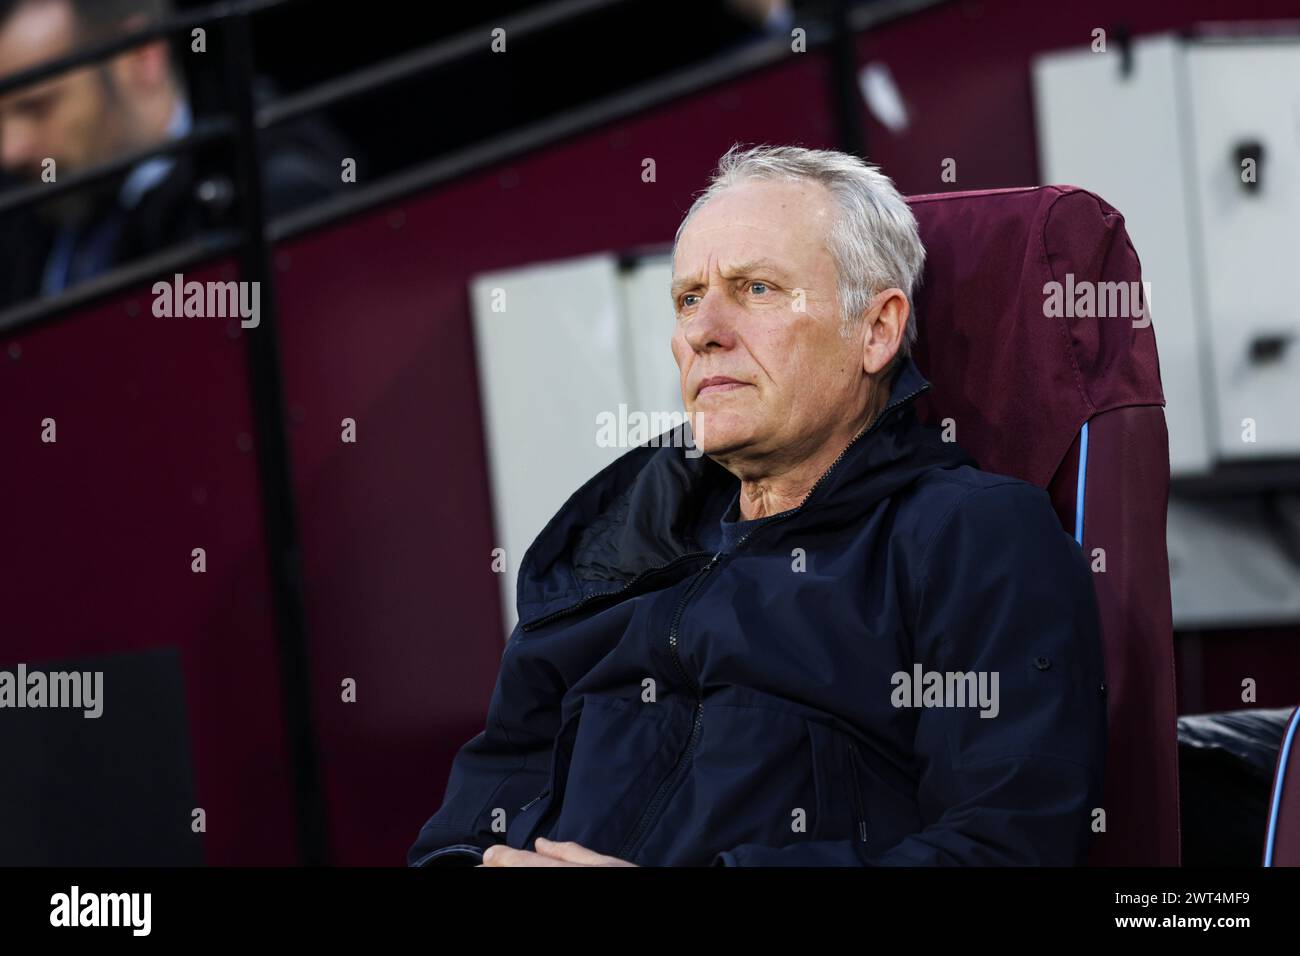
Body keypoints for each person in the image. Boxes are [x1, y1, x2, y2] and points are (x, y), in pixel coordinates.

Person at [409, 144, 1107, 867]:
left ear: (876, 330)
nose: (702, 331)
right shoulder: (610, 542)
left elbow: (1003, 849)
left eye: (757, 290)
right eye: (687, 299)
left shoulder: (972, 537)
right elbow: (466, 825)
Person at [0, 0, 343, 309]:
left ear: (141, 55)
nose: (10, 150)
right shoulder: (29, 209)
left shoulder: (271, 191)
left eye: (37, 107)